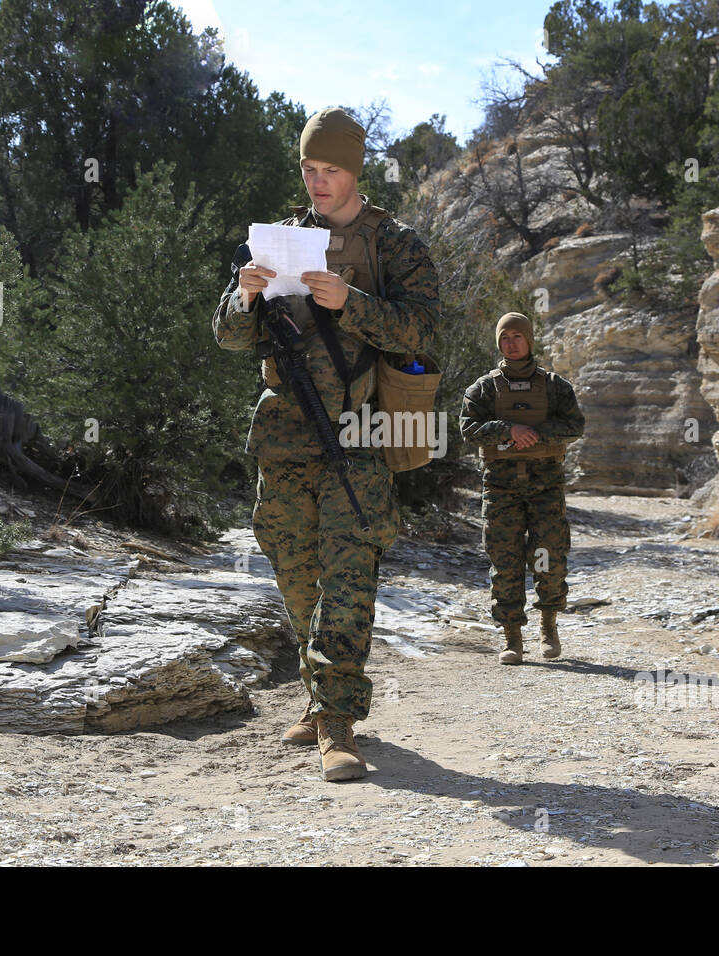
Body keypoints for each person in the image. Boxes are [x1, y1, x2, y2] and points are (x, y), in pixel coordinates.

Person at [212, 107, 440, 780]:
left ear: (355, 170)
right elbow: (227, 336)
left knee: (347, 576)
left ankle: (338, 725)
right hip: (284, 434)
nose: (317, 181)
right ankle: (318, 695)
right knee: (294, 569)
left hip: (362, 430)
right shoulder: (280, 239)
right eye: (309, 168)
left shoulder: (396, 245)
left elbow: (425, 333)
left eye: (329, 169)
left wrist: (353, 303)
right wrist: (244, 299)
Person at [460, 312, 585, 664]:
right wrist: (508, 430)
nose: (511, 343)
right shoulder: (483, 388)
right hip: (500, 486)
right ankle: (512, 637)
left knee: (548, 556)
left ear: (530, 340)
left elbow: (575, 425)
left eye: (517, 336)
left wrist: (538, 434)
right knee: (506, 560)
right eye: (504, 338)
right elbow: (468, 427)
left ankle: (548, 626)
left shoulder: (556, 387)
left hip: (546, 483)